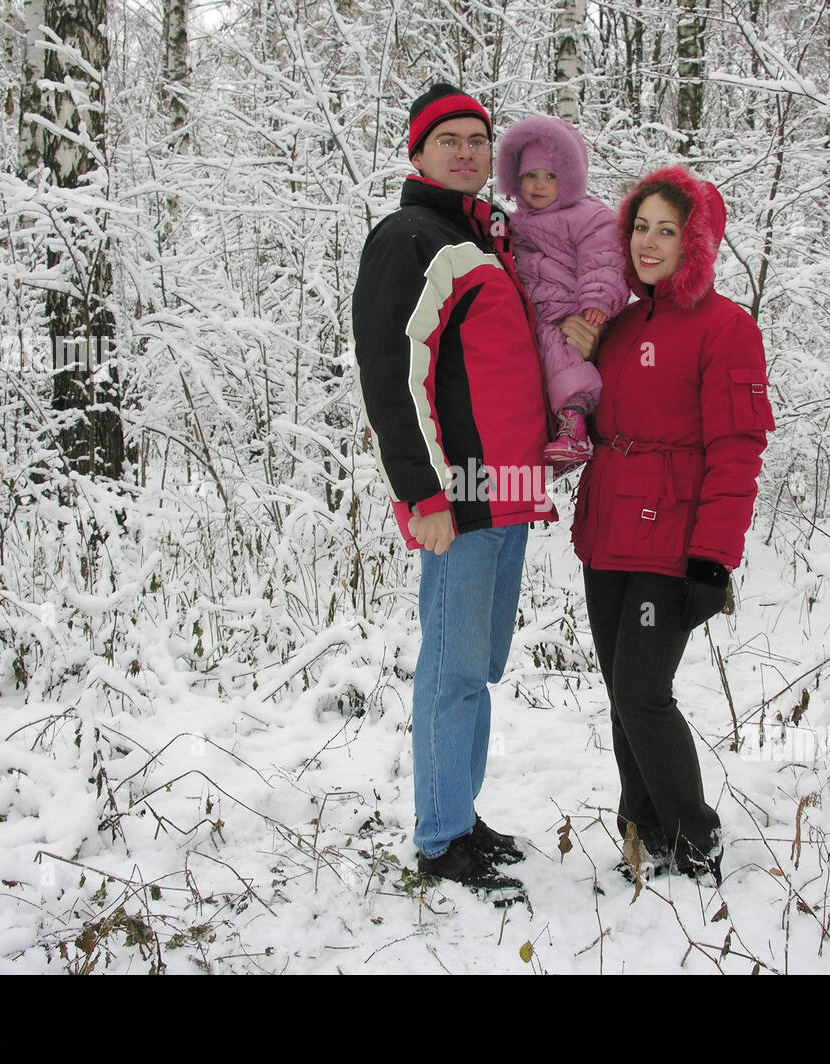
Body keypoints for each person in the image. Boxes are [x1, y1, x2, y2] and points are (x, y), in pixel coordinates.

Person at [351, 84, 553, 903]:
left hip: (507, 493)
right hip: (461, 498)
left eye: (478, 139)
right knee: (451, 669)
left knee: (477, 667)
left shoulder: (480, 237)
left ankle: (461, 818)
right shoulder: (410, 237)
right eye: (449, 140)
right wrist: (421, 493)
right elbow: (391, 374)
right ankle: (439, 841)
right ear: (417, 152)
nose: (467, 152)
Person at [569, 166, 776, 886]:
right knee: (620, 694)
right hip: (607, 536)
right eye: (641, 226)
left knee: (642, 693)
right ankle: (644, 830)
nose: (650, 243)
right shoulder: (619, 326)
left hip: (673, 541)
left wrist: (713, 561)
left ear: (696, 243)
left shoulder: (726, 327)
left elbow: (737, 447)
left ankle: (696, 837)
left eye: (669, 230)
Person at [495, 116, 630, 471]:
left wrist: (597, 299)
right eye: (530, 176)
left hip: (570, 309)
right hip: (536, 312)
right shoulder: (515, 221)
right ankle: (554, 439)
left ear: (569, 178)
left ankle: (574, 426)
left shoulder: (587, 215)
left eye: (551, 176)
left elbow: (603, 259)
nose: (539, 185)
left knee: (561, 351)